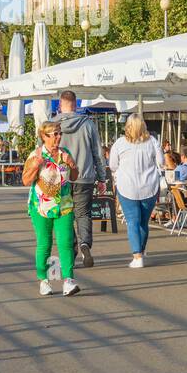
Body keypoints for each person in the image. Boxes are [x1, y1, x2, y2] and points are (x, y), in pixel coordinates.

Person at [22, 121, 81, 295]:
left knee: (66, 243)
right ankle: (44, 280)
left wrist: (71, 164)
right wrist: (36, 165)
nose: (58, 137)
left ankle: (68, 280)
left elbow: (74, 177)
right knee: (44, 244)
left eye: (59, 133)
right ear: (44, 136)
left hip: (64, 205)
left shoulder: (65, 153)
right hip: (41, 207)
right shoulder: (36, 154)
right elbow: (25, 180)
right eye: (54, 134)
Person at [53, 89, 108, 268]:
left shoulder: (52, 126)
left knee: (65, 215)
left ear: (60, 105)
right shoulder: (88, 124)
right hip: (84, 176)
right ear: (76, 105)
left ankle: (72, 249)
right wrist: (102, 178)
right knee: (83, 214)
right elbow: (98, 153)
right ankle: (85, 243)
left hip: (60, 179)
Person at [108, 113, 164, 269]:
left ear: (128, 127)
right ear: (144, 126)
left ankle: (137, 255)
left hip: (127, 187)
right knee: (143, 222)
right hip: (149, 186)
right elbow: (161, 162)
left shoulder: (119, 143)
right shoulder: (153, 141)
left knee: (132, 221)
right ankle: (142, 250)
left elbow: (112, 165)